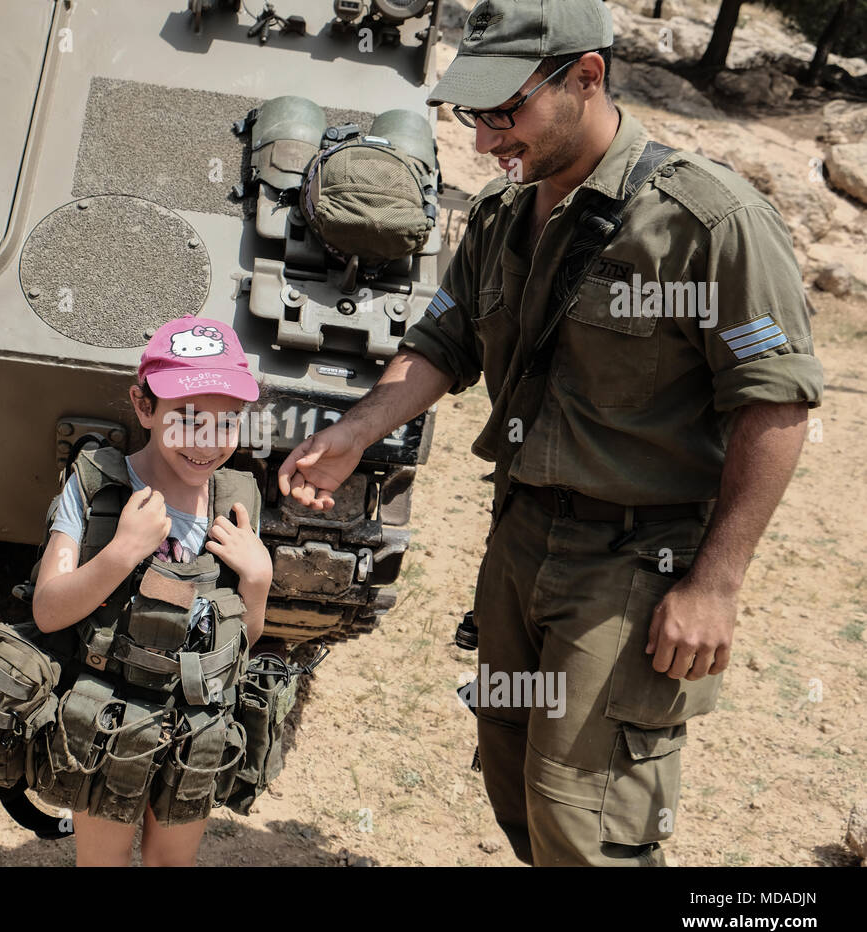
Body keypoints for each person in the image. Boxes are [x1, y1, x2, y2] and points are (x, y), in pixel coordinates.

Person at [278, 0, 823, 866]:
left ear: (587, 78)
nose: (488, 141)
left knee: (587, 818)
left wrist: (715, 585)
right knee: (514, 775)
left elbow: (774, 402)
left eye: (506, 112)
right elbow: (443, 341)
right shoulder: (503, 215)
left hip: (635, 564)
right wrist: (355, 432)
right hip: (524, 542)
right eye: (474, 114)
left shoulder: (706, 222)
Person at [32, 316, 273, 866]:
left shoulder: (236, 501)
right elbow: (48, 611)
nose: (207, 442)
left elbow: (239, 643)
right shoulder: (97, 487)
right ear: (144, 407)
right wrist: (122, 551)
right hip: (108, 718)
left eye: (227, 422)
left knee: (171, 862)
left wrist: (257, 582)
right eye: (187, 419)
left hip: (199, 727)